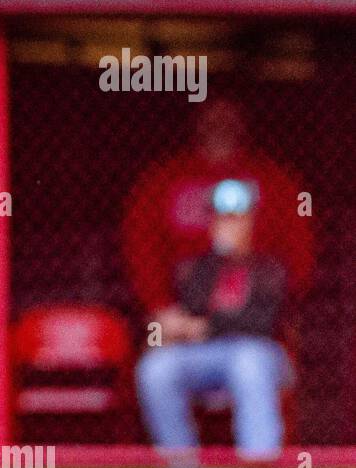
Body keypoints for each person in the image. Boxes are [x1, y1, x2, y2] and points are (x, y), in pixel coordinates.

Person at [135, 179, 290, 467]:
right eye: (221, 218)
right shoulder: (200, 268)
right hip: (205, 354)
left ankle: (259, 462)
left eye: (236, 218)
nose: (228, 225)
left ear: (251, 221)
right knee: (157, 367)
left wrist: (207, 326)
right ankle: (181, 462)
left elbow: (262, 323)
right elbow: (191, 309)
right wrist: (175, 325)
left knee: (249, 362)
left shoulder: (270, 268)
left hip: (256, 352)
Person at [122, 99, 313, 315]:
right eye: (211, 113)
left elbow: (299, 249)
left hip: (258, 312)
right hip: (182, 315)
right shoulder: (163, 180)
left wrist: (286, 308)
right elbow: (140, 246)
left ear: (241, 120)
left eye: (227, 113)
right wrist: (161, 307)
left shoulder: (274, 180)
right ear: (196, 119)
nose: (219, 121)